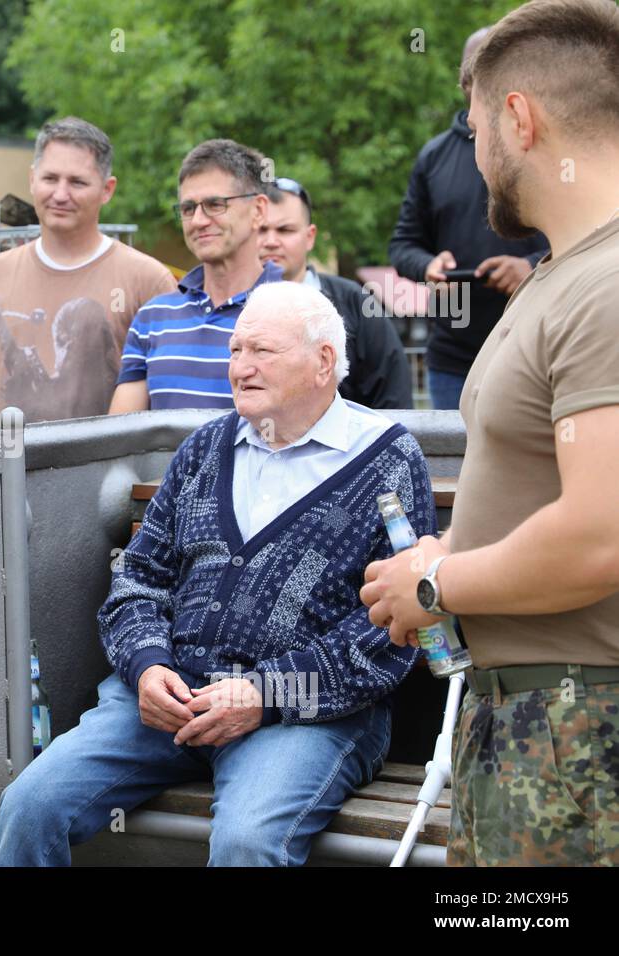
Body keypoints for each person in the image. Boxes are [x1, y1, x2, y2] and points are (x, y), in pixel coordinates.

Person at [0, 281, 433, 866]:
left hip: (303, 715)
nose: (241, 368)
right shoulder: (206, 448)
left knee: (248, 844)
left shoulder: (389, 459)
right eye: (235, 352)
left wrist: (263, 692)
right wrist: (148, 668)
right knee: (27, 804)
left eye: (261, 353)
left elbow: (389, 632)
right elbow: (138, 582)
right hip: (167, 701)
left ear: (323, 361)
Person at [362, 0, 619, 866]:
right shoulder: (566, 273)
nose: (473, 157)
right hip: (528, 718)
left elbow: (598, 535)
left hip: (579, 729)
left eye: (476, 130)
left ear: (520, 118)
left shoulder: (608, 285)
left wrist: (437, 582)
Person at [0, 115, 176, 865]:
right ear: (32, 180)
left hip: (107, 539)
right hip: (5, 531)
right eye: (49, 177)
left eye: (78, 180)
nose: (61, 192)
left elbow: (163, 425)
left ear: (107, 189)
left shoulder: (145, 280)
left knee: (91, 705)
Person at [387, 27, 548, 409]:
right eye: (480, 68)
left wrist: (529, 266)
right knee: (454, 466)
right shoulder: (435, 156)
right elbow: (402, 245)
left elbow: (588, 234)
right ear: (464, 79)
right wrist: (429, 265)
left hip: (529, 347)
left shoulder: (542, 148)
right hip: (453, 358)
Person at [109, 139, 283, 413]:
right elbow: (121, 441)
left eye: (215, 204)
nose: (199, 221)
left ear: (259, 210)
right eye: (188, 209)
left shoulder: (297, 312)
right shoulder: (152, 319)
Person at [259, 178, 412, 408]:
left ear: (310, 236)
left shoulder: (356, 303)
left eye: (285, 230)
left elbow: (393, 399)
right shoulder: (228, 306)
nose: (271, 241)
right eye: (261, 229)